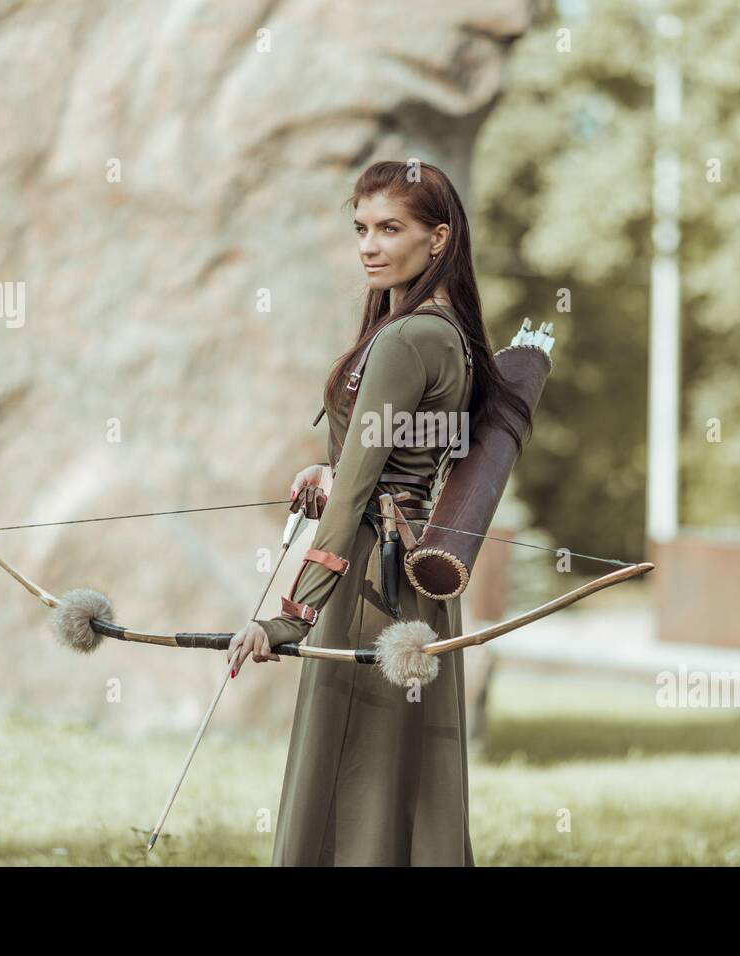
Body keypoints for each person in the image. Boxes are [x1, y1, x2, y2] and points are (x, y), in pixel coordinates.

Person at [226, 160, 533, 866]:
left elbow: (363, 486)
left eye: (390, 228)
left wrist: (292, 614)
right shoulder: (443, 333)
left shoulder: (404, 339)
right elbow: (420, 446)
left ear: (438, 239)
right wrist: (332, 468)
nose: (369, 244)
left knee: (354, 775)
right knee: (400, 776)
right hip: (414, 581)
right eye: (361, 228)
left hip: (369, 584)